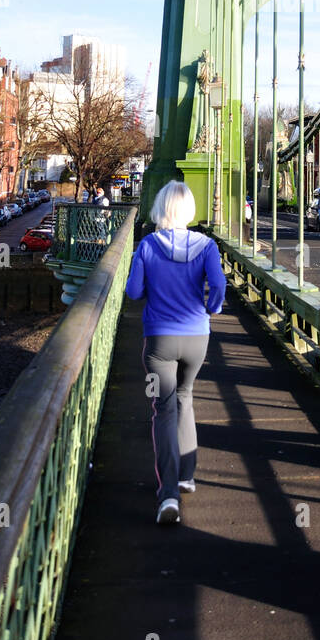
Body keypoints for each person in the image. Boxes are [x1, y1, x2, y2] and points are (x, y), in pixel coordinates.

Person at [125, 181, 226, 526]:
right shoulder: (207, 245)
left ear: (161, 208)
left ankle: (168, 493)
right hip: (197, 338)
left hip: (160, 341)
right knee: (186, 398)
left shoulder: (148, 245)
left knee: (163, 410)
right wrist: (211, 307)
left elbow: (134, 291)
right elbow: (220, 285)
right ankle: (187, 476)